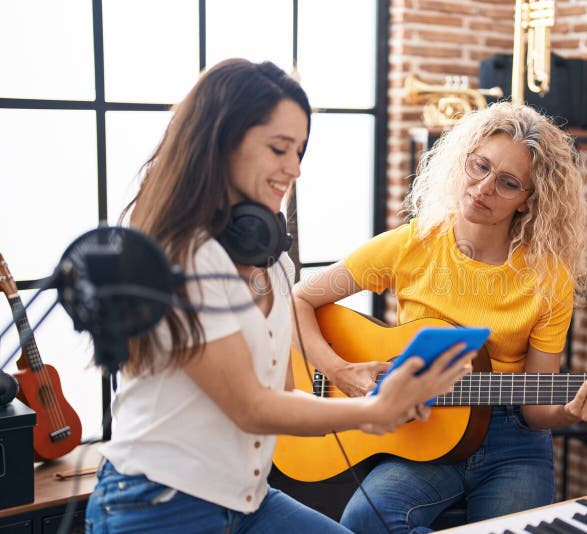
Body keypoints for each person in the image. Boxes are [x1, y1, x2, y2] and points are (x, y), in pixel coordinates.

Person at [84, 58, 475, 534]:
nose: (294, 169)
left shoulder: (275, 263)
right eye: (279, 148)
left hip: (246, 502)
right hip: (157, 505)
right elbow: (251, 405)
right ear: (222, 142)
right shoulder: (183, 254)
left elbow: (283, 397)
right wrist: (374, 411)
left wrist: (379, 398)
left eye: (300, 152)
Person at [292, 101, 587, 533]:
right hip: (422, 430)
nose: (483, 187)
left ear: (527, 201)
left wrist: (572, 411)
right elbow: (297, 300)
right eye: (478, 166)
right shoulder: (412, 245)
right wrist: (339, 369)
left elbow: (537, 409)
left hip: (512, 442)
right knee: (364, 520)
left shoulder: (548, 278)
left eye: (507, 183)